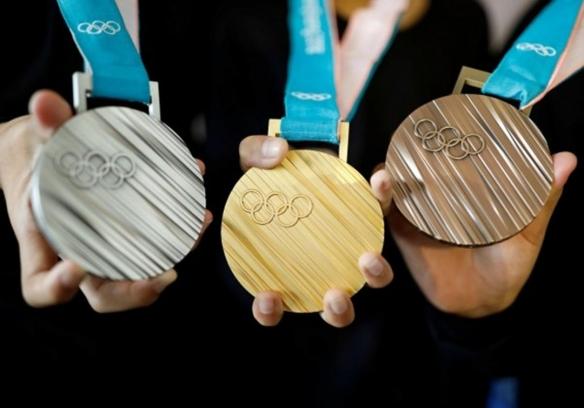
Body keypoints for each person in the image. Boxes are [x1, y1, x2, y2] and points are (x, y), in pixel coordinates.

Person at [0, 0, 579, 405]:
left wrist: (472, 318)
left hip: (397, 364)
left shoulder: (464, 24)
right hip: (231, 341)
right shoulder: (236, 15)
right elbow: (199, 174)